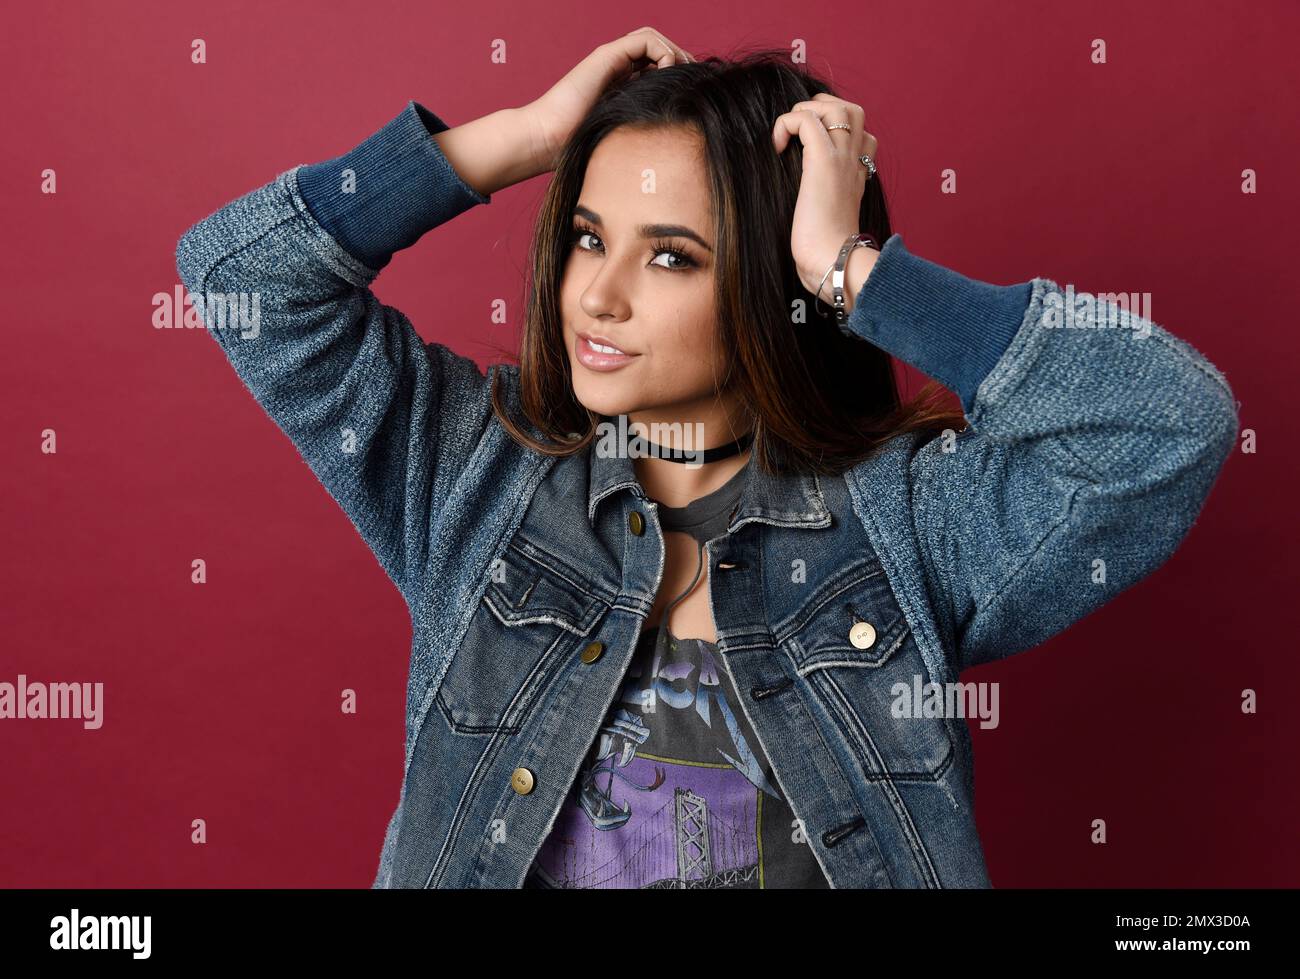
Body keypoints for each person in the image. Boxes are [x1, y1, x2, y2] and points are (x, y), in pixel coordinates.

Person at [175, 28, 1238, 888]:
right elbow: (241, 277)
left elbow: (1167, 423)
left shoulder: (908, 526)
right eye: (589, 236)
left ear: (774, 287)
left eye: (670, 256)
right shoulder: (475, 475)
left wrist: (853, 272)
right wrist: (524, 136)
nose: (598, 296)